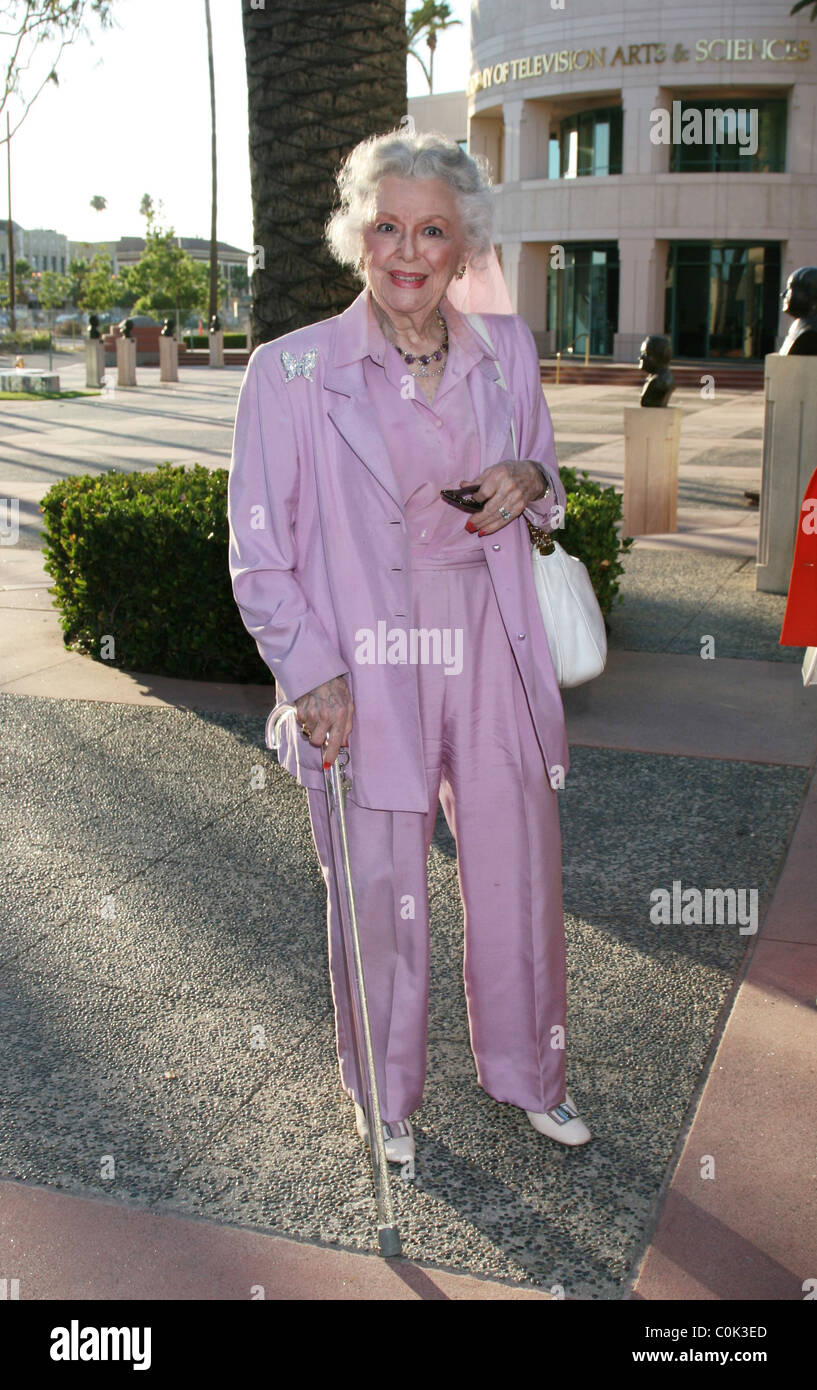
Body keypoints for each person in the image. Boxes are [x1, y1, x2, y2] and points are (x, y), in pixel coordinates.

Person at [227, 128, 591, 1165]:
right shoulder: (288, 370)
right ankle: (382, 1093)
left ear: (462, 242)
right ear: (356, 238)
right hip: (362, 652)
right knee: (377, 885)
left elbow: (547, 490)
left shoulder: (507, 350)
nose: (406, 250)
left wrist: (528, 480)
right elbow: (258, 553)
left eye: (431, 229)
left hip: (487, 641)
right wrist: (312, 674)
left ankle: (530, 1072)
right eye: (385, 226)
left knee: (517, 872)